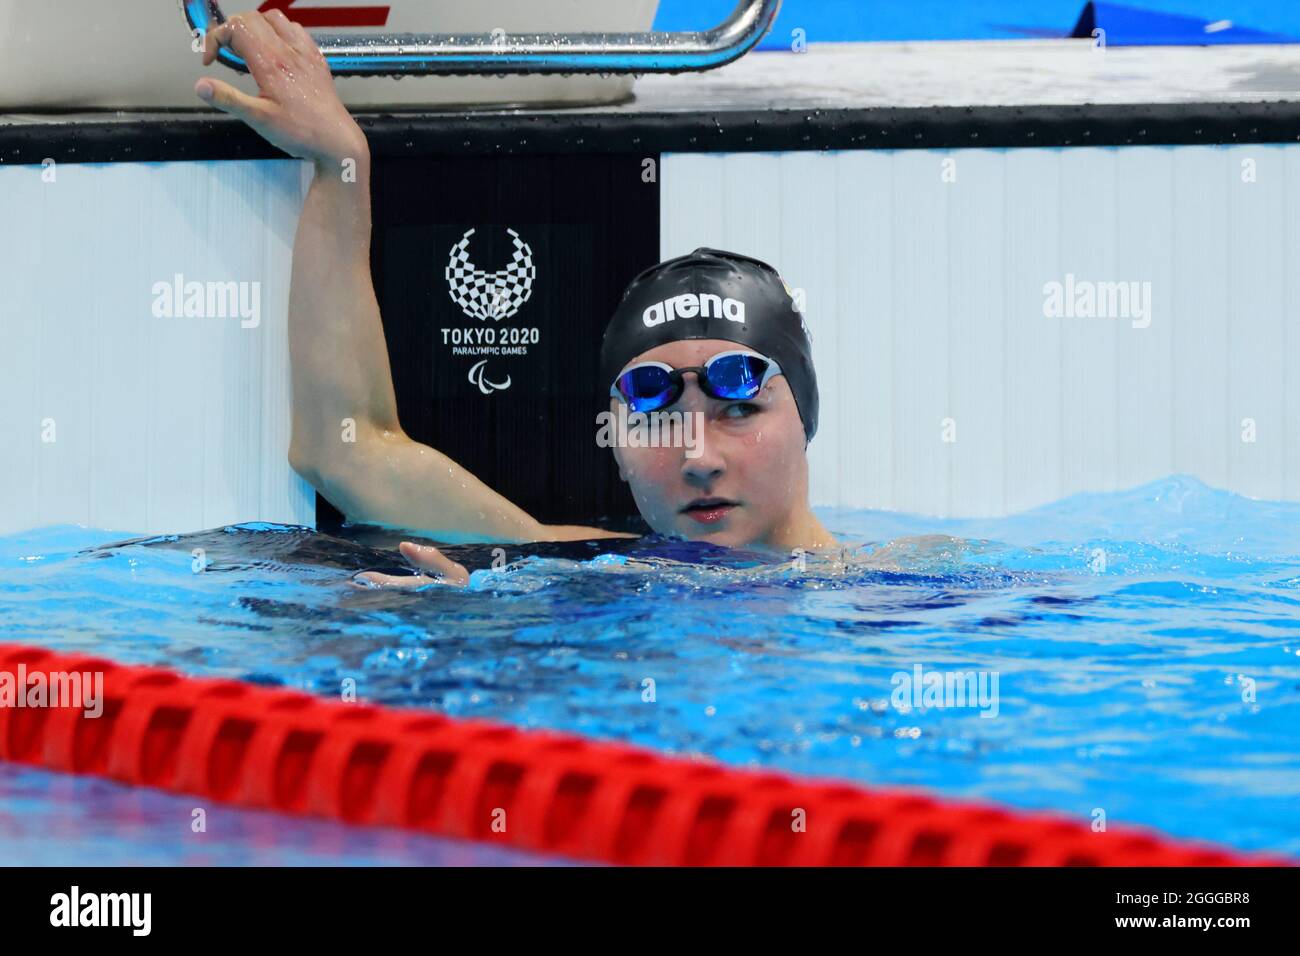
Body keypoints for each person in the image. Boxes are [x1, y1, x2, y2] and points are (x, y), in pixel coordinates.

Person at [194, 11, 917, 588]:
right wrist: (339, 165)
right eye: (656, 418)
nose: (698, 456)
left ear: (805, 416)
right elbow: (346, 450)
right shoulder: (562, 572)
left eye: (738, 409)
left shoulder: (907, 596)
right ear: (619, 447)